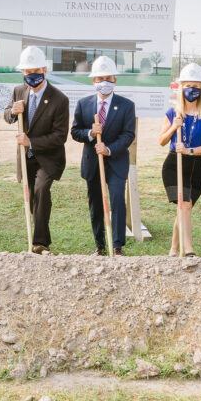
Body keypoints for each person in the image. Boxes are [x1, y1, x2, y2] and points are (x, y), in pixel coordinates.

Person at [3, 46, 70, 254]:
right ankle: (42, 241)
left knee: (42, 189)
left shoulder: (59, 99)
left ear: (44, 70)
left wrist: (31, 142)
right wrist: (12, 112)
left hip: (49, 158)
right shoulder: (19, 91)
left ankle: (39, 242)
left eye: (35, 71)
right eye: (27, 72)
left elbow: (60, 136)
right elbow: (7, 114)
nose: (31, 76)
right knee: (33, 197)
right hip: (26, 158)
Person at [71, 55, 136, 256]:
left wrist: (108, 149)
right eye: (100, 79)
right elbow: (75, 132)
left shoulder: (126, 105)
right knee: (96, 205)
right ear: (94, 81)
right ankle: (100, 246)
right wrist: (91, 133)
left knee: (117, 200)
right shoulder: (84, 104)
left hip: (116, 162)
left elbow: (128, 135)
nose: (104, 82)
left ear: (114, 80)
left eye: (108, 78)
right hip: (92, 164)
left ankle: (117, 246)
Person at [158, 64, 201, 256]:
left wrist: (189, 150)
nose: (192, 90)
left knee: (185, 209)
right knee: (184, 205)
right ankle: (188, 249)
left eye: (196, 86)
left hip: (196, 166)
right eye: (188, 85)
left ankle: (173, 249)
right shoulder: (172, 113)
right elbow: (161, 141)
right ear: (181, 87)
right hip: (174, 164)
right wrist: (174, 128)